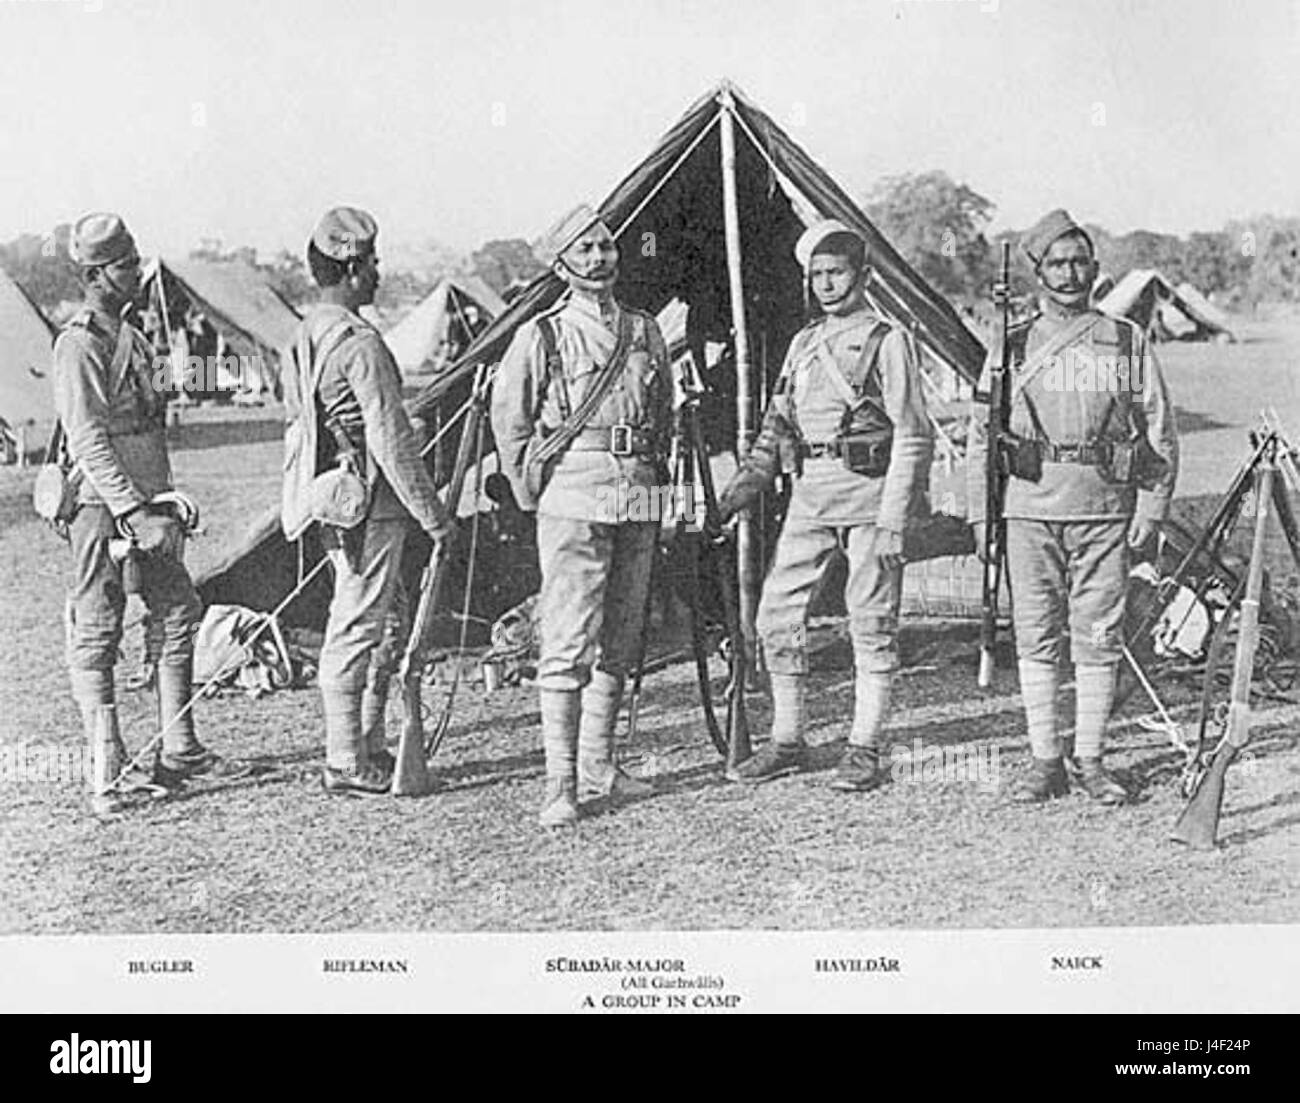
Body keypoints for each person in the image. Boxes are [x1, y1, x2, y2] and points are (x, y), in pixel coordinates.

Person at [966, 208, 1179, 804]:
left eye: (1079, 261)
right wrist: (983, 519)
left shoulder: (1124, 339)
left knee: (1099, 633)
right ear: (1038, 273)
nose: (1069, 272)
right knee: (1035, 634)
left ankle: (1090, 760)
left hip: (1104, 507)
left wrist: (1152, 508)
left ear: (1096, 269)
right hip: (1028, 509)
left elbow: (1158, 430)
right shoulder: (1008, 346)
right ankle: (1044, 760)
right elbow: (981, 437)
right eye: (1056, 262)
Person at [718, 220, 935, 790]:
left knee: (871, 621)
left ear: (863, 276)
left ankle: (864, 745)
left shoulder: (890, 341)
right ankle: (789, 739)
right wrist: (734, 495)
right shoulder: (803, 343)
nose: (826, 284)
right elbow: (774, 430)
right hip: (811, 497)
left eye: (836, 273)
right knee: (776, 616)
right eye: (816, 275)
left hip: (870, 497)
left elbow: (913, 433)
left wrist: (893, 521)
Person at [53, 212, 246, 815]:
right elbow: (86, 437)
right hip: (101, 506)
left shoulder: (130, 336)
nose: (136, 272)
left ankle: (180, 745)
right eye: (123, 266)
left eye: (133, 261)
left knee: (177, 608)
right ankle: (107, 772)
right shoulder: (78, 343)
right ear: (93, 274)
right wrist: (132, 510)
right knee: (99, 625)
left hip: (149, 503)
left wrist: (221, 370)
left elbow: (160, 394)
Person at [491, 204, 673, 827]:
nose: (600, 259)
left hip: (640, 487)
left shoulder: (646, 331)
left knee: (624, 634)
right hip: (572, 490)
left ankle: (602, 767)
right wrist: (531, 493)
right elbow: (510, 425)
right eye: (586, 249)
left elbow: (664, 414)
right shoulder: (542, 335)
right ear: (562, 265)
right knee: (568, 639)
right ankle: (560, 784)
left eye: (606, 246)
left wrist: (658, 489)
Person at [282, 207, 453, 795]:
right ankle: (344, 759)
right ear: (352, 269)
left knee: (379, 618)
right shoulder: (359, 341)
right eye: (372, 262)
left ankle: (368, 745)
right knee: (357, 624)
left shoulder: (303, 335)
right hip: (373, 501)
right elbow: (389, 437)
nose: (379, 272)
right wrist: (435, 518)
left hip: (329, 496)